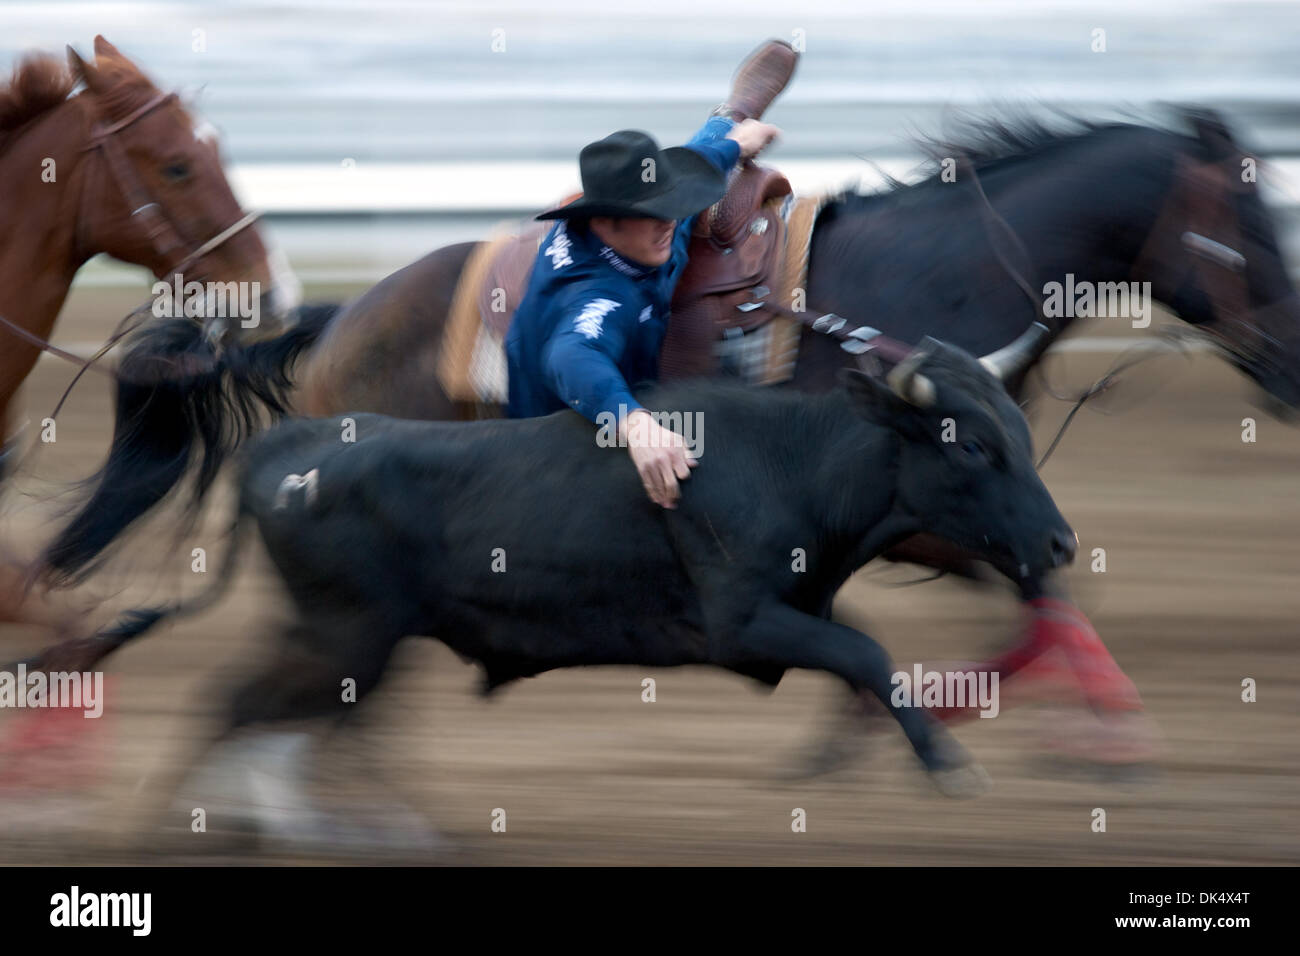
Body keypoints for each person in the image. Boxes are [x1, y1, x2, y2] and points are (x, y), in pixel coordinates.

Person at [505, 39, 797, 508]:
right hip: (561, 458)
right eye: (656, 213)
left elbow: (698, 157)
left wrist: (734, 134)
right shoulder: (600, 292)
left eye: (672, 204)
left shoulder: (648, 222)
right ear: (604, 221)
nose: (671, 220)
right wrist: (635, 423)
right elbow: (573, 355)